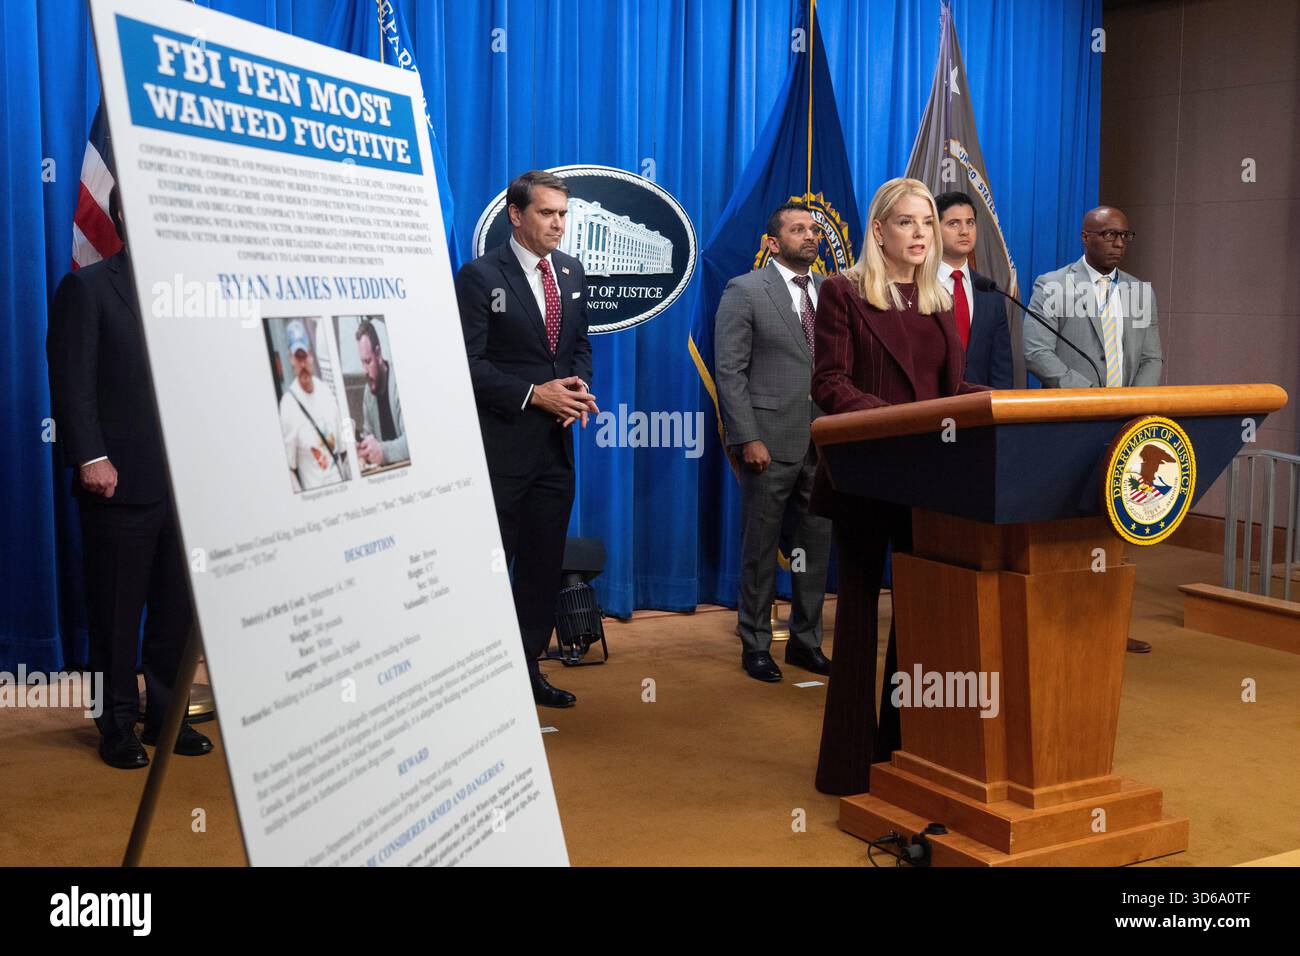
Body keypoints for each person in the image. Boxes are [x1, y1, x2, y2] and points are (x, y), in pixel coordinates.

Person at [810, 177, 989, 796]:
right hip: (869, 473)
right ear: (879, 231)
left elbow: (949, 389)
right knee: (859, 613)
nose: (921, 234)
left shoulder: (940, 301)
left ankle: (904, 749)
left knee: (920, 611)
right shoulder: (843, 293)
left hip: (930, 478)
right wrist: (897, 425)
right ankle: (849, 765)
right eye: (908, 223)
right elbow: (830, 383)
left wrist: (997, 402)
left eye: (927, 224)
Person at [45, 184, 212, 769]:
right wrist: (90, 456)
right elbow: (73, 383)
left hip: (189, 484)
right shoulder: (87, 289)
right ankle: (113, 723)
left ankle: (163, 718)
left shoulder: (196, 295)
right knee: (115, 613)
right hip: (118, 481)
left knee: (176, 609)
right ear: (120, 214)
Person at [456, 170, 597, 708]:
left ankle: (527, 668)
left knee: (541, 567)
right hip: (500, 450)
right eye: (547, 213)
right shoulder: (479, 277)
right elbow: (466, 365)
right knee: (491, 565)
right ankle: (474, 677)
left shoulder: (572, 271)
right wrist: (535, 394)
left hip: (556, 451)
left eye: (563, 213)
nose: (558, 223)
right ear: (516, 215)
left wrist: (578, 389)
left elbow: (578, 346)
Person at [1023, 205, 1163, 653]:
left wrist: (1130, 403)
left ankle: (1108, 623)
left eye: (1124, 236)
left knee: (1115, 523)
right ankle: (1059, 621)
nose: (1117, 243)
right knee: (1068, 522)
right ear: (1085, 237)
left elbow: (1151, 358)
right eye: (1107, 235)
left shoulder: (1140, 292)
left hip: (1125, 423)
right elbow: (1036, 350)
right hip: (1072, 420)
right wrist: (1089, 396)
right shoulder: (1054, 284)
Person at [715, 202, 833, 683]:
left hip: (824, 442)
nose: (810, 236)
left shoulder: (835, 290)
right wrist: (747, 436)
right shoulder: (745, 290)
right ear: (772, 241)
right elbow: (730, 371)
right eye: (798, 229)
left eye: (814, 229)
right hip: (769, 442)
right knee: (760, 549)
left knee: (815, 549)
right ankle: (756, 643)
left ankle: (806, 643)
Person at [934, 190, 1013, 388]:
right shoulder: (917, 286)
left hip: (980, 408)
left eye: (970, 222)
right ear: (934, 229)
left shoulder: (991, 292)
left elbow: (1001, 369)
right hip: (929, 408)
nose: (964, 231)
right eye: (954, 223)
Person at [278, 319, 348, 492]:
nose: (303, 364)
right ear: (290, 359)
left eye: (305, 356)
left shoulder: (326, 393)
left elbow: (344, 449)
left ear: (311, 354)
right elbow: (289, 468)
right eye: (297, 357)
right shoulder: (288, 406)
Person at [355, 318, 409, 469]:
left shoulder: (398, 383)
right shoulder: (368, 393)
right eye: (362, 362)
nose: (365, 370)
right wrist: (363, 449)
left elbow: (412, 441)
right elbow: (368, 434)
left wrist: (382, 452)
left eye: (368, 361)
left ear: (378, 354)